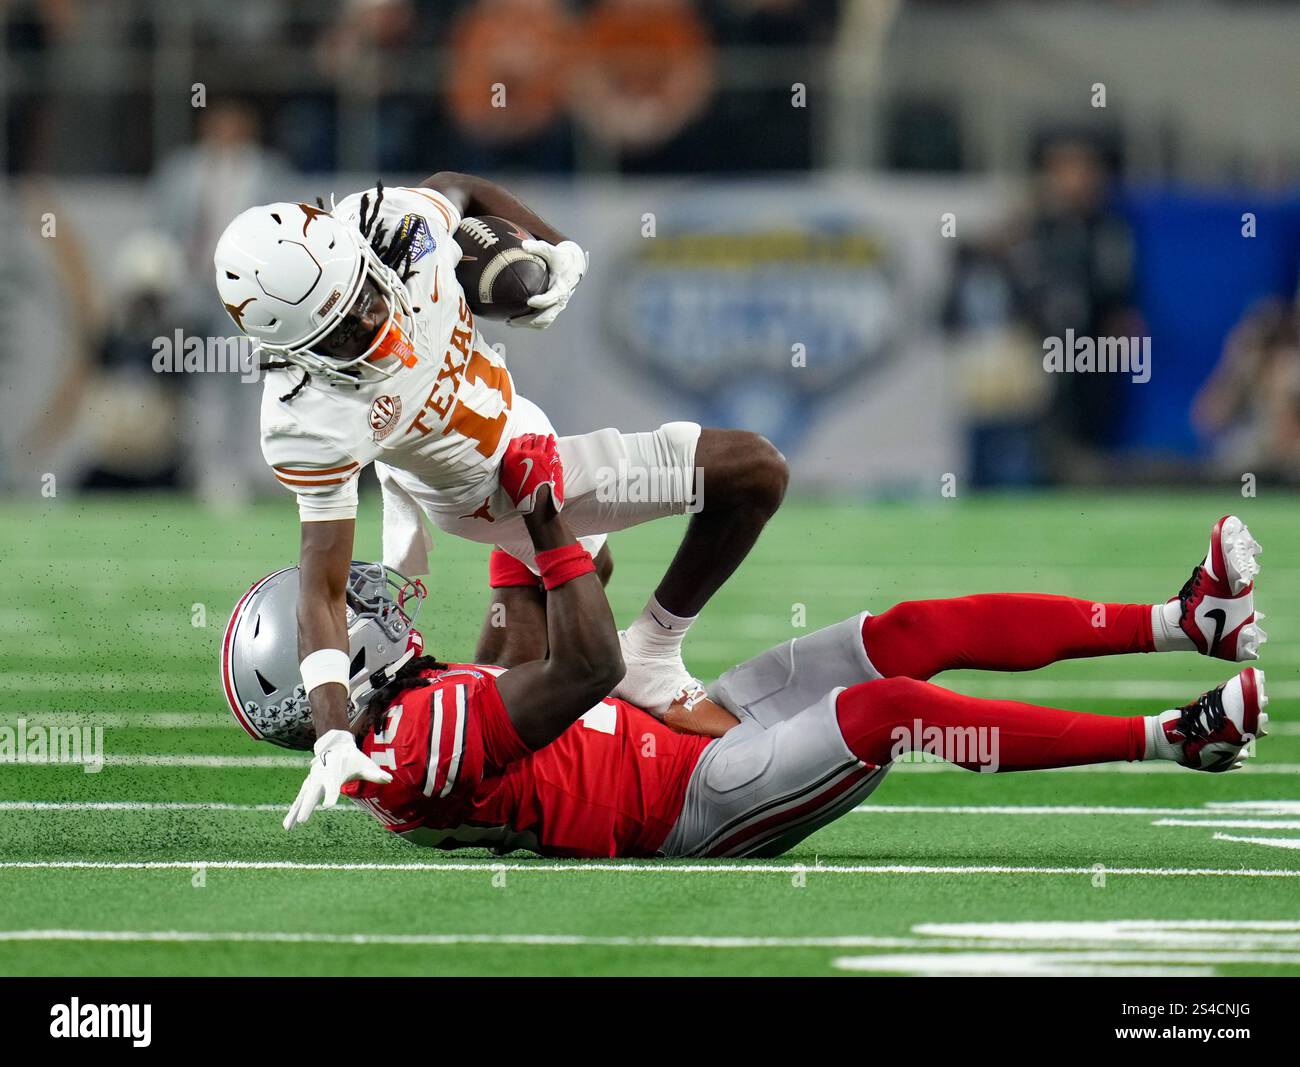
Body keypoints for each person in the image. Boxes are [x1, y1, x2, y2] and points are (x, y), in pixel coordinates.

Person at [222, 467, 1269, 856]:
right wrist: (551, 530)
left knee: (905, 631)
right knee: (890, 705)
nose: (362, 598)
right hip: (692, 805)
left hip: (671, 735)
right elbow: (578, 665)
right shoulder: (408, 746)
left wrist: (507, 500)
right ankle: (1178, 736)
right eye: (337, 608)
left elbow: (527, 645)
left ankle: (1189, 620)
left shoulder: (411, 713)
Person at [212, 178, 788, 826]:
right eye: (344, 333)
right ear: (294, 353)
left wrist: (558, 247)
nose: (373, 323)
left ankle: (462, 778)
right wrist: (332, 732)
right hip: (490, 493)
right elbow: (321, 587)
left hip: (519, 424)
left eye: (365, 296)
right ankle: (652, 652)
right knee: (754, 472)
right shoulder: (307, 417)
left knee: (537, 656)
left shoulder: (400, 233)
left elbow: (453, 188)